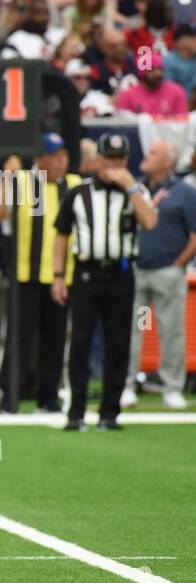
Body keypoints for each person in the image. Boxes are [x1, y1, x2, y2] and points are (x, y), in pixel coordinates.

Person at [53, 133, 159, 430]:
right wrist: (58, 276)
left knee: (118, 344)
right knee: (81, 343)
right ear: (98, 160)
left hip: (121, 275)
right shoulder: (78, 193)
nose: (115, 165)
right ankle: (76, 411)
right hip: (86, 274)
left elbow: (150, 222)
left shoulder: (136, 191)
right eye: (109, 159)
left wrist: (129, 186)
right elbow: (61, 235)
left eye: (120, 159)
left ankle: (110, 413)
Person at [0, 134, 78, 414]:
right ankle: (10, 397)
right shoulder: (23, 182)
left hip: (61, 277)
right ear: (39, 159)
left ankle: (48, 397)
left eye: (63, 155)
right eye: (54, 156)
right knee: (19, 339)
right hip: (25, 275)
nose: (61, 162)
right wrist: (7, 175)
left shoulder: (73, 185)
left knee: (54, 339)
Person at [124, 141, 196, 409]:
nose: (147, 157)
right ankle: (129, 384)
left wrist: (179, 264)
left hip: (167, 273)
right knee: (135, 330)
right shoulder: (137, 189)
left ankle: (172, 387)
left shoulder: (184, 193)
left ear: (168, 161)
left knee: (170, 331)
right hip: (139, 272)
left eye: (154, 153)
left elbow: (195, 234)